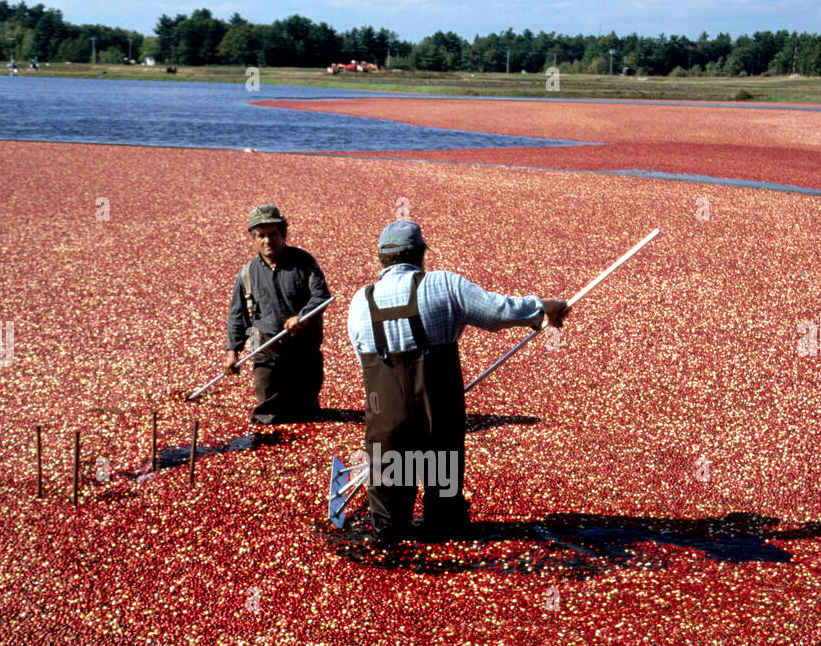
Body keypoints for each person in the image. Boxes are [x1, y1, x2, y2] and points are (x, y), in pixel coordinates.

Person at [347, 219, 570, 547]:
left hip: (387, 424)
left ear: (381, 258)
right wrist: (542, 308)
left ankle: (394, 551)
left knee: (388, 524)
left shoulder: (360, 303)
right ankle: (444, 535)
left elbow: (363, 361)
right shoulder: (443, 285)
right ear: (421, 253)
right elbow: (496, 313)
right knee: (444, 515)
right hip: (437, 418)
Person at [224, 203, 331, 424]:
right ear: (253, 238)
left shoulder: (303, 263)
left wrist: (302, 316)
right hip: (266, 347)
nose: (267, 240)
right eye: (260, 235)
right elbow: (238, 314)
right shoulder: (247, 274)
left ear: (283, 233)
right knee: (267, 413)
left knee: (305, 411)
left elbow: (321, 296)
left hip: (303, 347)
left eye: (273, 234)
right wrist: (232, 351)